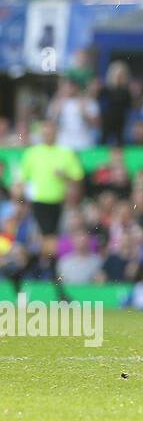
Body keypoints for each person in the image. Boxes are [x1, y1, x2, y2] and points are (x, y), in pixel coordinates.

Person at [13, 119, 81, 301]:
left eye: (51, 131)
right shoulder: (33, 153)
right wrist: (19, 199)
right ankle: (60, 293)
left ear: (56, 133)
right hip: (40, 204)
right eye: (45, 132)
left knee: (48, 250)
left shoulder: (65, 153)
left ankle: (18, 275)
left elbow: (77, 177)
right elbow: (21, 178)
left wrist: (64, 175)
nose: (48, 135)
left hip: (57, 204)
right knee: (50, 246)